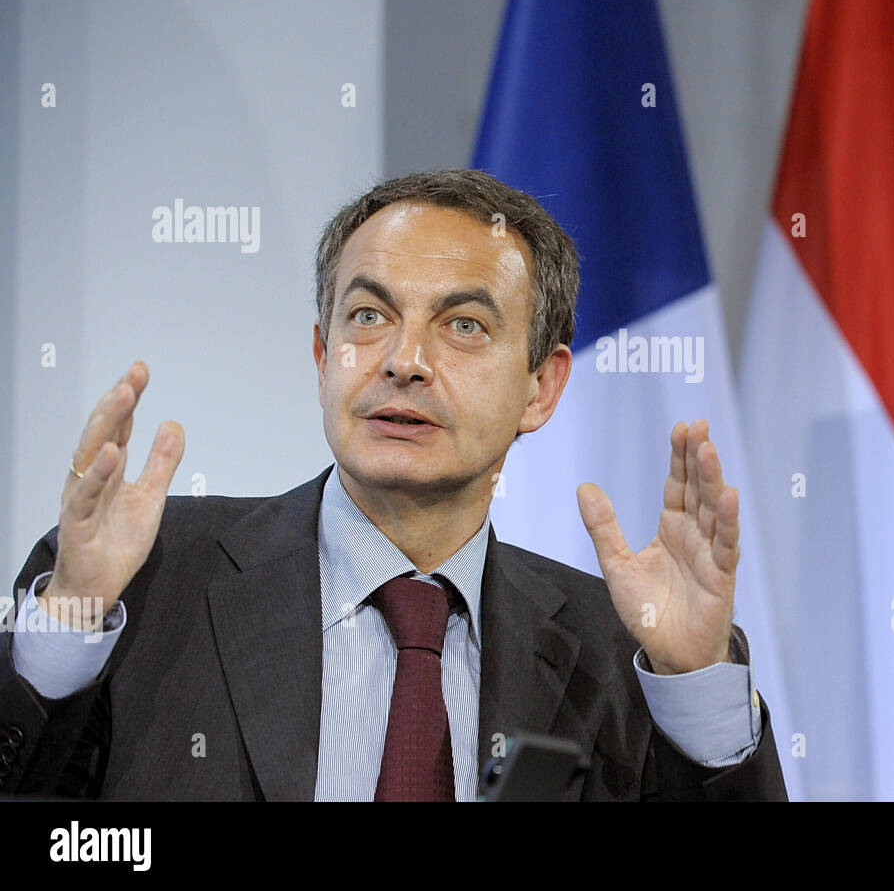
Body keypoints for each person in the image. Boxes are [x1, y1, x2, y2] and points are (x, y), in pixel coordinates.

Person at [0, 169, 787, 801]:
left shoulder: (624, 656)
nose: (403, 360)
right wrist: (67, 627)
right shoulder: (141, 581)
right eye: (369, 316)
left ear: (540, 390)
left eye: (464, 326)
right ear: (322, 356)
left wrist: (696, 690)